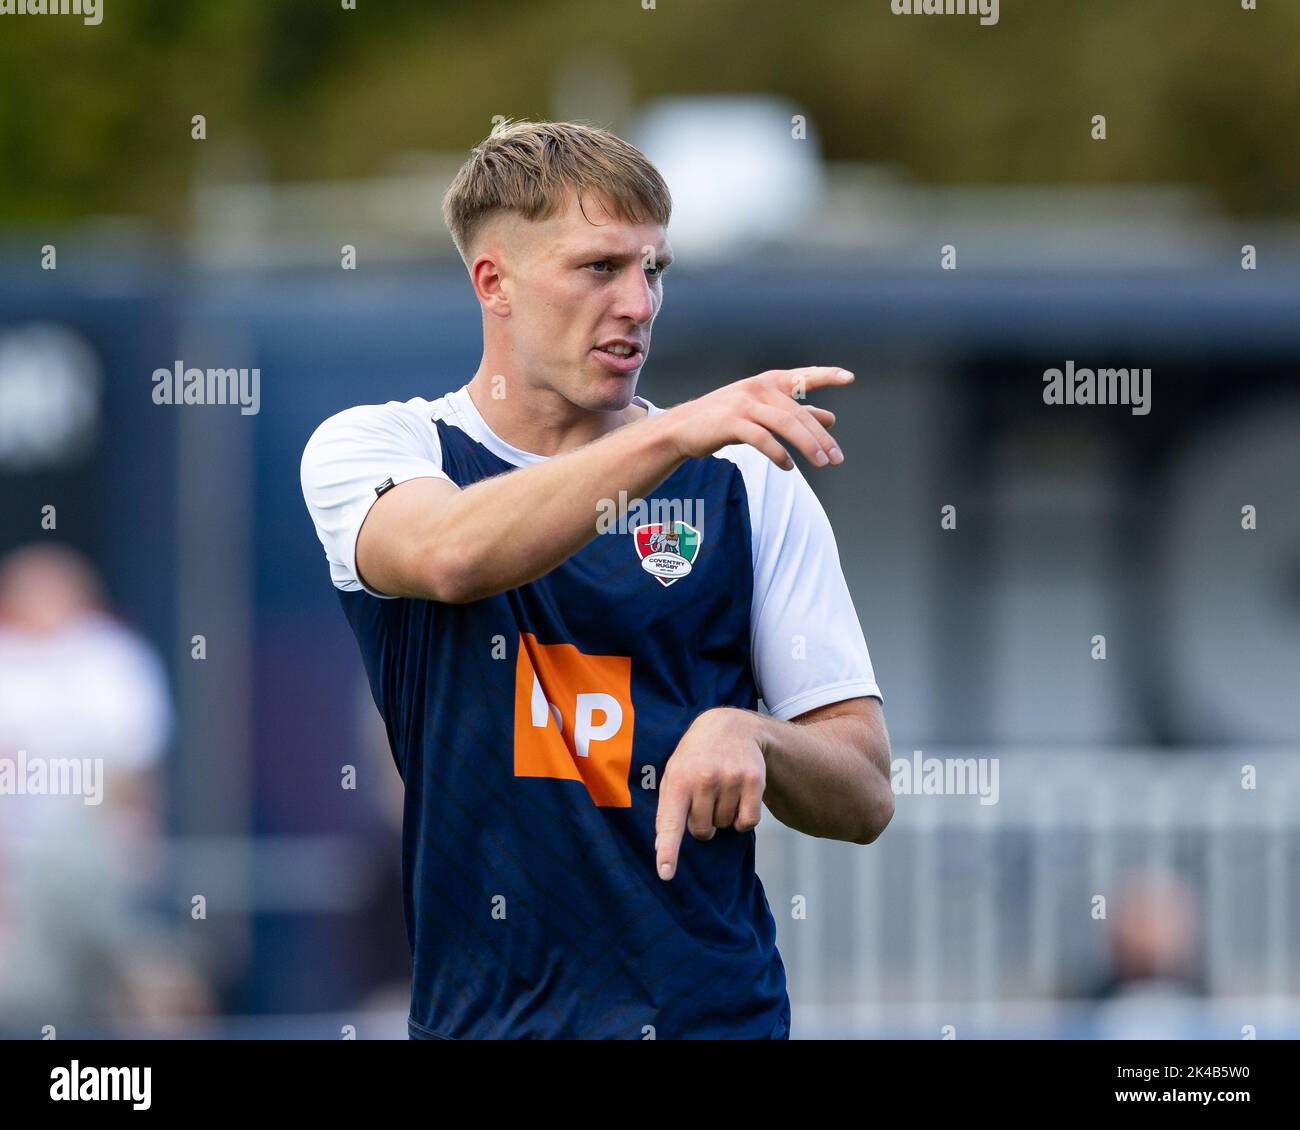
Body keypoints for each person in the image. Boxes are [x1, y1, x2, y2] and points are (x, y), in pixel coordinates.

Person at [300, 120, 893, 1040]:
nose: (639, 303)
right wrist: (675, 433)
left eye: (653, 270)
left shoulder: (742, 484)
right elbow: (453, 555)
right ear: (492, 282)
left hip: (715, 1022)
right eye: (599, 268)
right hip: (484, 1024)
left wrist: (757, 739)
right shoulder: (382, 447)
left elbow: (865, 792)